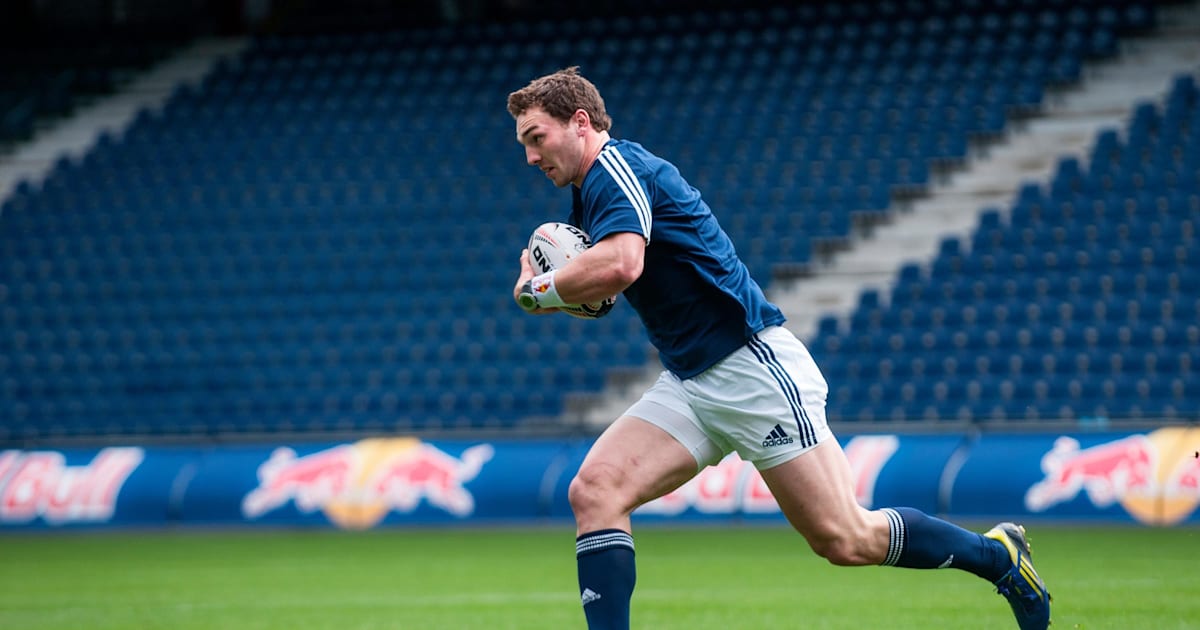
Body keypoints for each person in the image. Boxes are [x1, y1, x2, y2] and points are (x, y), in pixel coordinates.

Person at [506, 66, 1051, 630]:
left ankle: (998, 557)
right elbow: (609, 288)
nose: (529, 157)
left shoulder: (615, 170)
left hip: (751, 368)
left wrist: (538, 292)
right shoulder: (589, 194)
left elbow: (622, 263)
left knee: (845, 537)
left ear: (578, 122)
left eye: (535, 138)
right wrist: (564, 291)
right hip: (691, 382)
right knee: (595, 490)